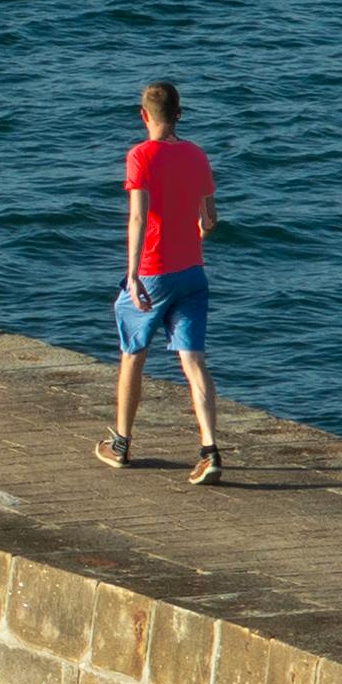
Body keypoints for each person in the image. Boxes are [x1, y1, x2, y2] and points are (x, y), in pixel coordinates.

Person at [99, 80, 221, 483]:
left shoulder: (140, 156)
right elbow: (209, 222)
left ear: (144, 116)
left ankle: (121, 444)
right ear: (179, 115)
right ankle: (209, 450)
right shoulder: (198, 155)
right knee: (193, 361)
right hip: (193, 273)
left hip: (154, 271)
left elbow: (137, 217)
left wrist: (133, 276)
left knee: (133, 354)